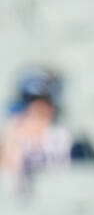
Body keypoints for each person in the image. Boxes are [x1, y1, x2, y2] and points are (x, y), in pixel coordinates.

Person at [0, 67, 71, 197]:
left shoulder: (60, 135)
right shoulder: (13, 131)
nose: (39, 109)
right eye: (33, 102)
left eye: (46, 103)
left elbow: (62, 172)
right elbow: (8, 168)